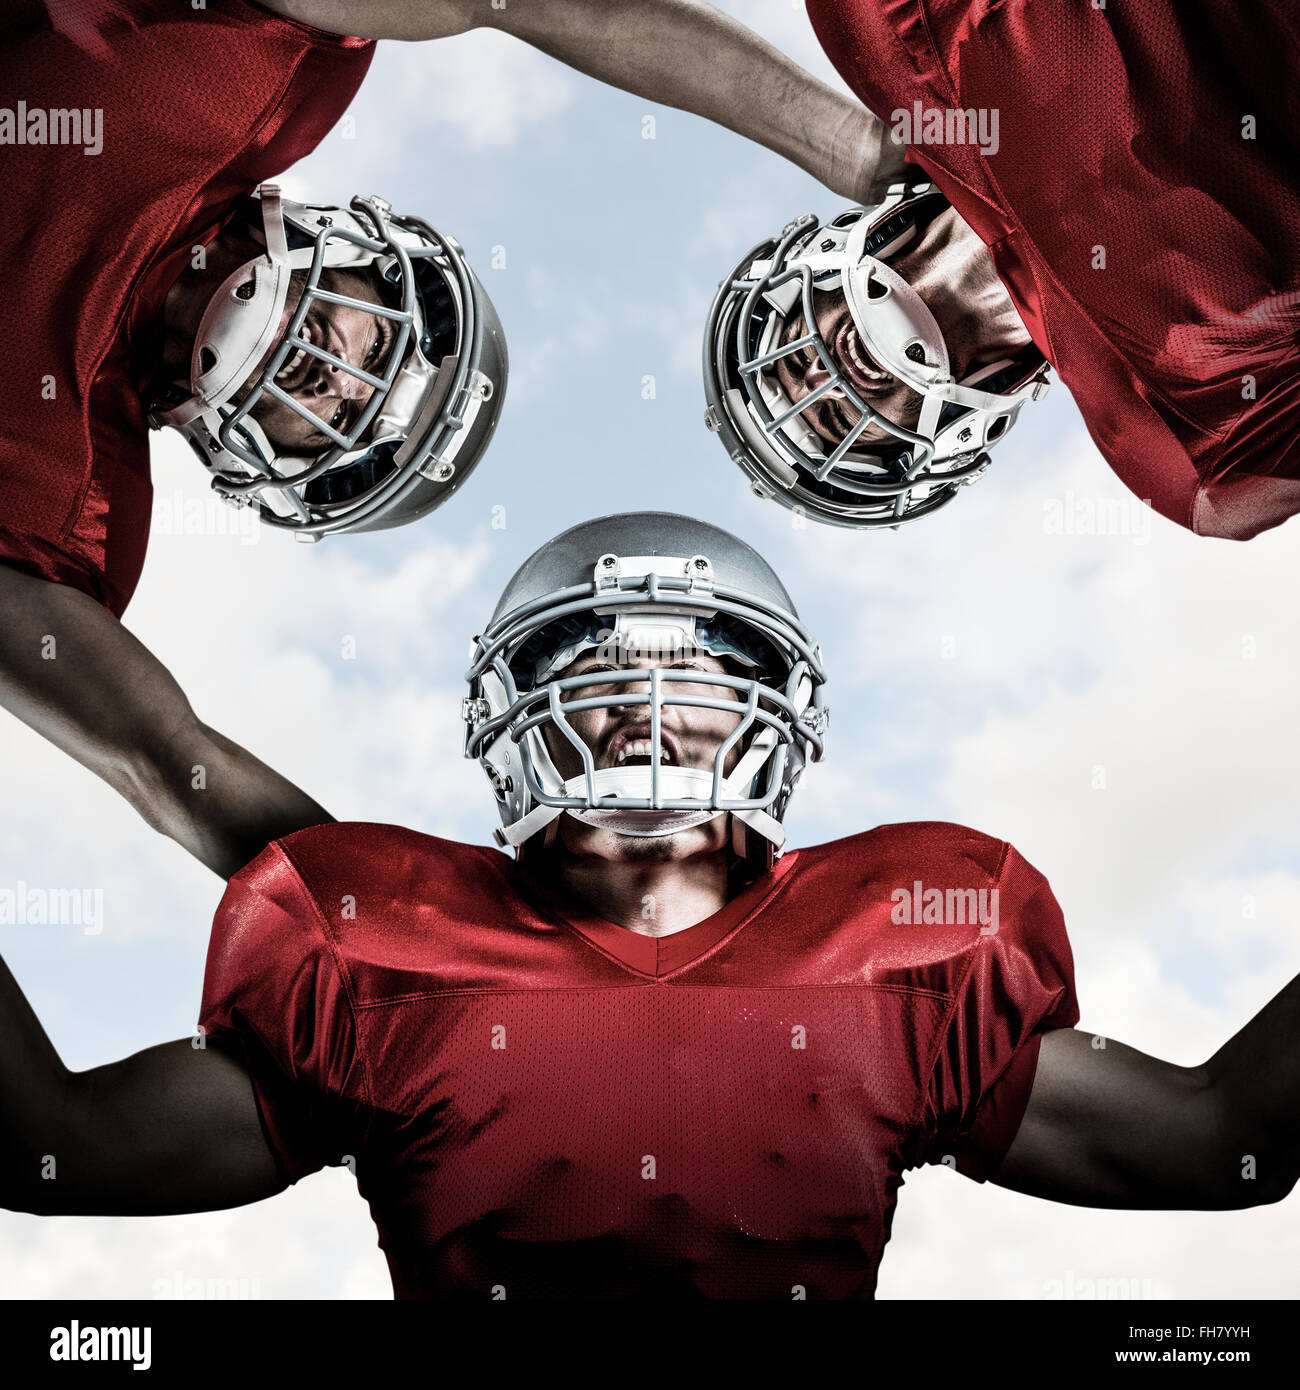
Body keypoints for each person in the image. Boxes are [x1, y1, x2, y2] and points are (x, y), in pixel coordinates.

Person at [2, 513, 1293, 1299]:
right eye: (601, 655)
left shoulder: (913, 946)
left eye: (700, 663)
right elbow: (49, 1143)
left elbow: (1222, 1139)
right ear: (512, 716)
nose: (649, 696)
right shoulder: (378, 933)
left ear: (776, 713)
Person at [0, 0, 901, 878]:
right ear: (368, 258)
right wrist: (859, 152)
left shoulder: (57, 519)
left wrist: (436, 951)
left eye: (351, 423)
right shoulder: (273, 60)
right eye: (381, 348)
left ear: (272, 475)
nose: (334, 380)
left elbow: (165, 764)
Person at [707, 0, 1300, 538]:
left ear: (813, 269)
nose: (821, 377)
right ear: (940, 446)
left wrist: (841, 139)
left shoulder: (882, 32)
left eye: (795, 357)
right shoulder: (1188, 444)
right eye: (835, 415)